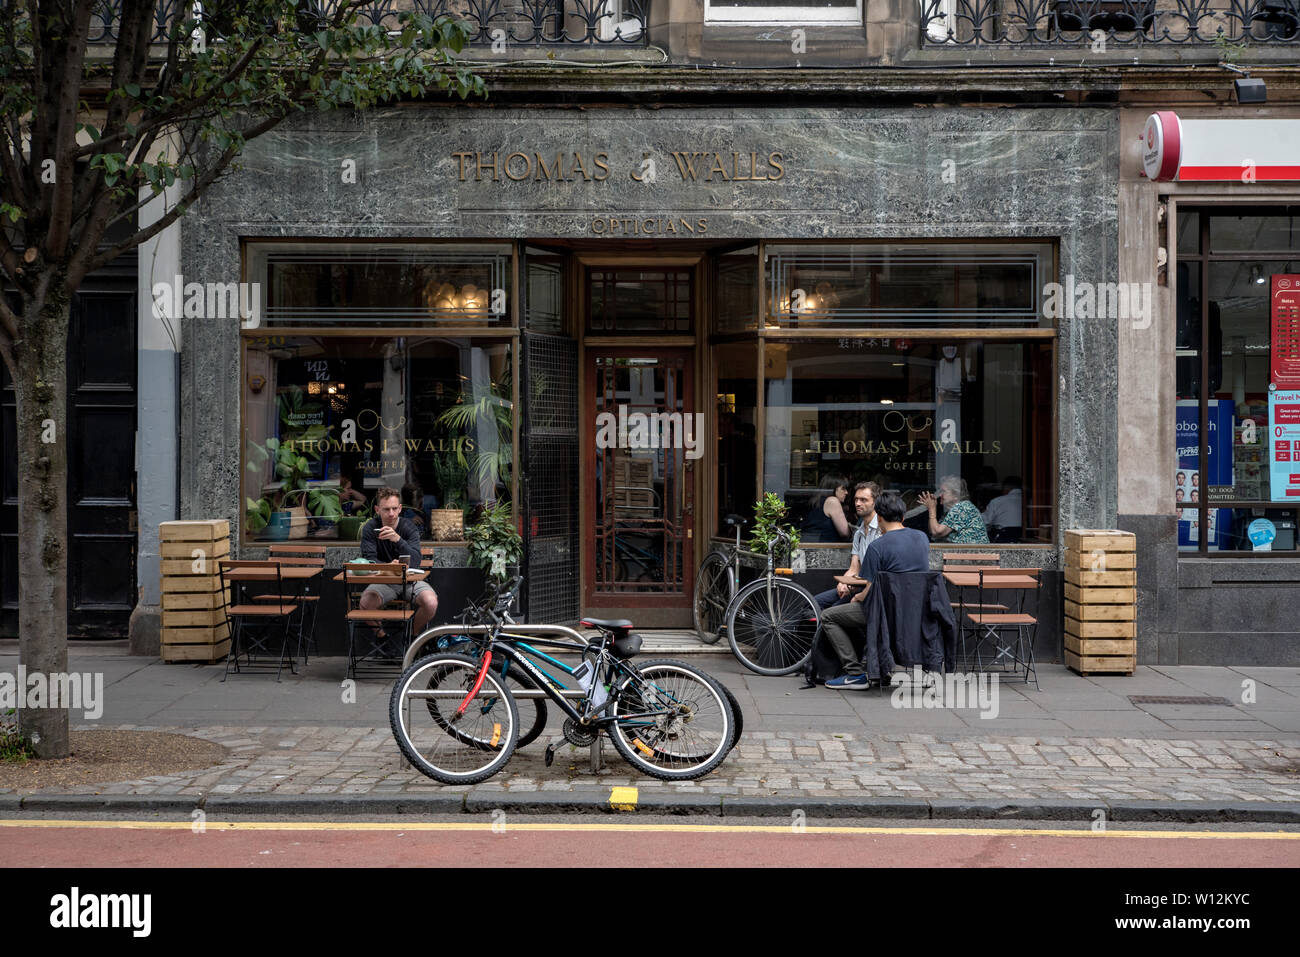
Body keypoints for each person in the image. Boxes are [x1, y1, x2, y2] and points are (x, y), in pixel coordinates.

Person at [823, 490, 931, 689]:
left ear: (879, 517)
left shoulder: (877, 547)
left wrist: (857, 598)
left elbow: (869, 590)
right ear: (904, 516)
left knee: (829, 616)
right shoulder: (922, 539)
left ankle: (855, 673)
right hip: (917, 611)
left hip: (883, 613)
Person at [358, 486, 438, 634]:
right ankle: (383, 638)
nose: (391, 513)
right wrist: (389, 567)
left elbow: (415, 562)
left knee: (431, 602)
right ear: (377, 509)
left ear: (400, 508)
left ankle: (412, 638)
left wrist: (398, 539)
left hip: (410, 580)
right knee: (365, 604)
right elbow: (369, 560)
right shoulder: (371, 528)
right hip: (384, 580)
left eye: (394, 508)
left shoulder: (409, 527)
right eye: (386, 509)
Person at [812, 481, 883, 610]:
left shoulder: (882, 529)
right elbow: (854, 567)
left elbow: (880, 571)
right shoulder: (859, 533)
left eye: (863, 500)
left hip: (873, 590)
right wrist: (843, 583)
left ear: (875, 502)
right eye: (856, 499)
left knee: (831, 612)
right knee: (812, 604)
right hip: (857, 585)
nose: (858, 503)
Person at [918, 475, 989, 544]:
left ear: (955, 495)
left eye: (943, 491)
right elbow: (934, 533)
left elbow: (937, 532)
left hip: (973, 554)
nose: (940, 495)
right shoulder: (951, 511)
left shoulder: (962, 508)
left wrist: (932, 509)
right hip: (961, 554)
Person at [800, 474, 851, 543]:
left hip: (809, 544)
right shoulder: (832, 501)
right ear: (833, 488)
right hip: (823, 548)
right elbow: (845, 532)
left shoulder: (816, 501)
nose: (846, 492)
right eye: (843, 488)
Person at [983, 476, 1023, 543]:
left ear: (1005, 488)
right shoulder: (1031, 502)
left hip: (1002, 540)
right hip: (1025, 540)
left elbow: (986, 522)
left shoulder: (997, 501)